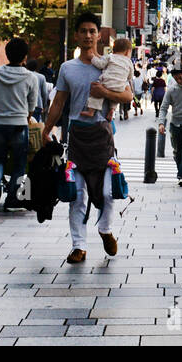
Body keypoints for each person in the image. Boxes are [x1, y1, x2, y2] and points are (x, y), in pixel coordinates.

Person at [42, 13, 135, 264]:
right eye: (82, 31)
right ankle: (78, 246)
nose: (87, 35)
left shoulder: (113, 63)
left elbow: (128, 97)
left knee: (107, 192)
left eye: (92, 31)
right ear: (76, 35)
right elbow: (59, 101)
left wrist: (103, 91)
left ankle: (105, 230)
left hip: (103, 135)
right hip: (77, 136)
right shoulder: (67, 68)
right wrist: (47, 128)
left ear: (98, 35)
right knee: (78, 194)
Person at [0, 38, 42, 212]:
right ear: (25, 57)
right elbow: (32, 104)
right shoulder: (30, 77)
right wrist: (27, 118)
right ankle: (12, 198)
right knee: (19, 162)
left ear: (7, 54)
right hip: (19, 123)